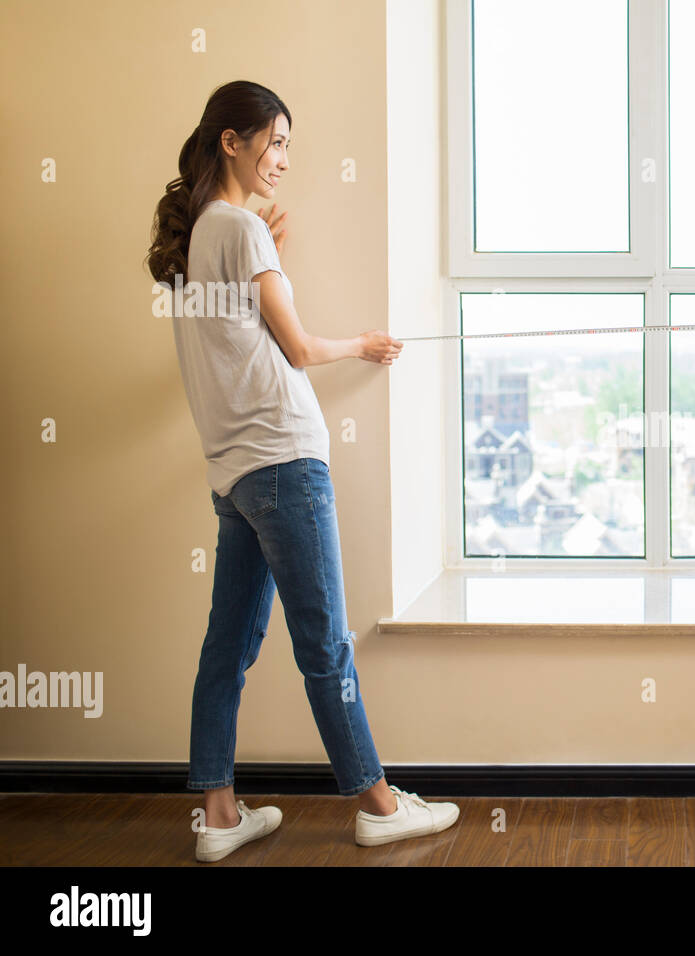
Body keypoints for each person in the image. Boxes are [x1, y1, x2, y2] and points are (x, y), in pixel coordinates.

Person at [146, 80, 458, 862]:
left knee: (229, 645)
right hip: (284, 459)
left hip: (236, 477)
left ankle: (219, 813)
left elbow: (235, 344)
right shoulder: (241, 230)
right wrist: (366, 342)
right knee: (326, 645)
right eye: (275, 141)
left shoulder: (197, 242)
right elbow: (296, 348)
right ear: (232, 140)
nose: (283, 159)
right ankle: (379, 802)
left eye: (287, 145)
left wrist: (270, 257)